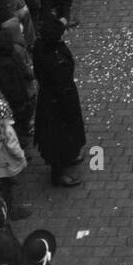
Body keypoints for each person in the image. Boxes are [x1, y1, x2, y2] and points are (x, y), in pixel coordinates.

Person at [33, 19, 86, 187]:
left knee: (65, 134)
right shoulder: (55, 58)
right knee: (58, 137)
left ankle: (69, 156)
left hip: (49, 96)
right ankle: (58, 174)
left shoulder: (40, 46)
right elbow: (61, 82)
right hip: (58, 102)